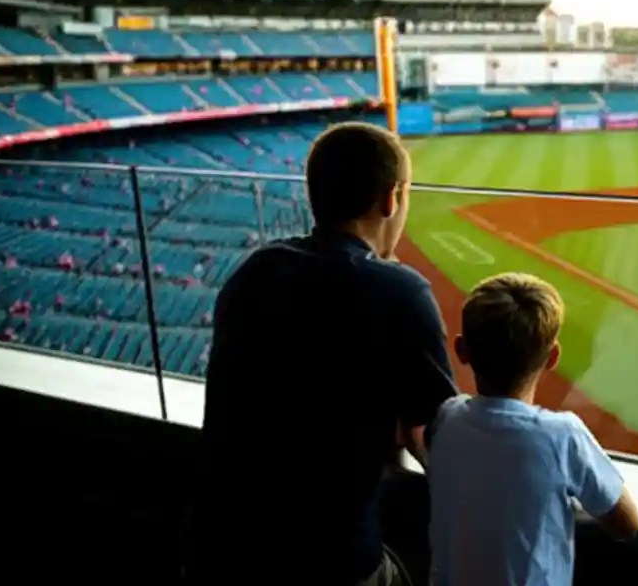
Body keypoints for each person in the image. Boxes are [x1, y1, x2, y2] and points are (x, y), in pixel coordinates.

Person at [184, 122, 459, 584]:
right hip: (328, 559)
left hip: (215, 548)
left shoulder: (255, 270)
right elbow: (441, 439)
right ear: (391, 198)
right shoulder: (399, 291)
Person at [427, 273, 638, 586]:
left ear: (462, 350)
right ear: (552, 357)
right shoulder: (563, 436)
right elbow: (627, 523)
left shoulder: (447, 417)